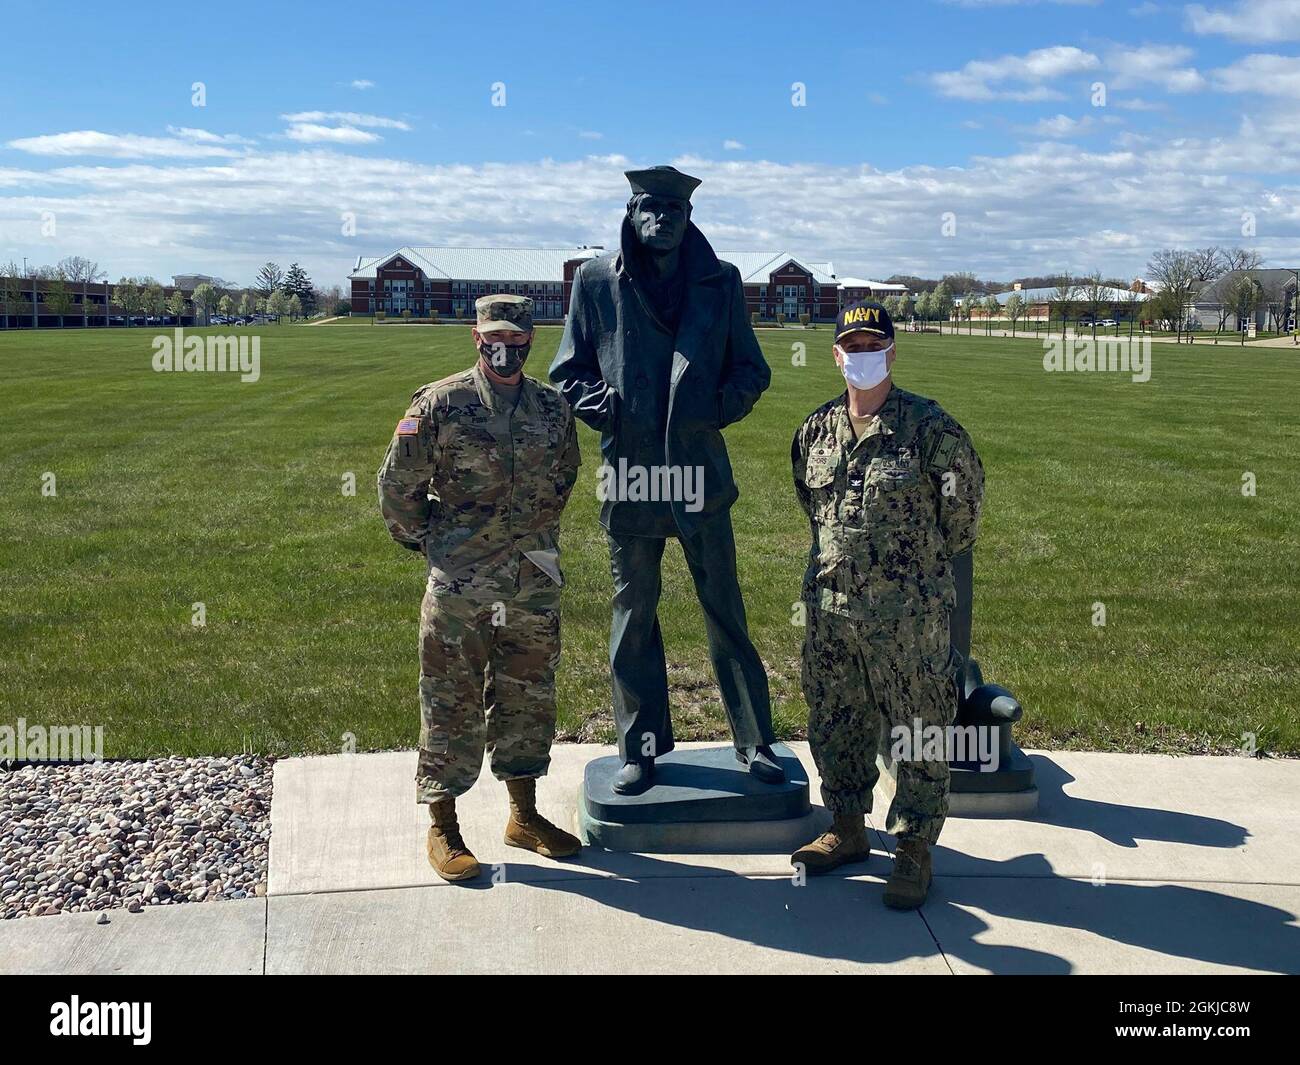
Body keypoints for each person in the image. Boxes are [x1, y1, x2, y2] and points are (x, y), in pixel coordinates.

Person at [549, 164, 782, 795]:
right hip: (630, 472)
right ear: (630, 211)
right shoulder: (596, 281)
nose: (661, 221)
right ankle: (640, 745)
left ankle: (755, 740)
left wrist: (715, 409)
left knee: (725, 607)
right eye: (649, 209)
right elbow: (567, 371)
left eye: (673, 212)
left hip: (699, 473)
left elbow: (750, 370)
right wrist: (608, 410)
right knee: (633, 612)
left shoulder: (720, 281)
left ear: (689, 217)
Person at [378, 294, 582, 882]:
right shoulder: (441, 404)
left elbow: (564, 475)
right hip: (462, 585)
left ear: (531, 340)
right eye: (495, 337)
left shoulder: (552, 407)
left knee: (528, 696)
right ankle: (443, 824)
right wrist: (438, 547)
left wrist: (533, 538)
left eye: (517, 338)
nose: (506, 347)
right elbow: (398, 490)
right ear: (476, 337)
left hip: (533, 581)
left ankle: (523, 815)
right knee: (451, 698)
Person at [789, 300, 984, 909]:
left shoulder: (933, 431)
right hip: (832, 612)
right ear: (837, 355)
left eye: (875, 345)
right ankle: (846, 826)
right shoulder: (815, 431)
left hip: (910, 622)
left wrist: (908, 576)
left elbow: (963, 521)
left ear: (892, 353)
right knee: (836, 722)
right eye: (853, 346)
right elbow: (813, 508)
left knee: (919, 731)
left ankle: (913, 847)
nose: (863, 355)